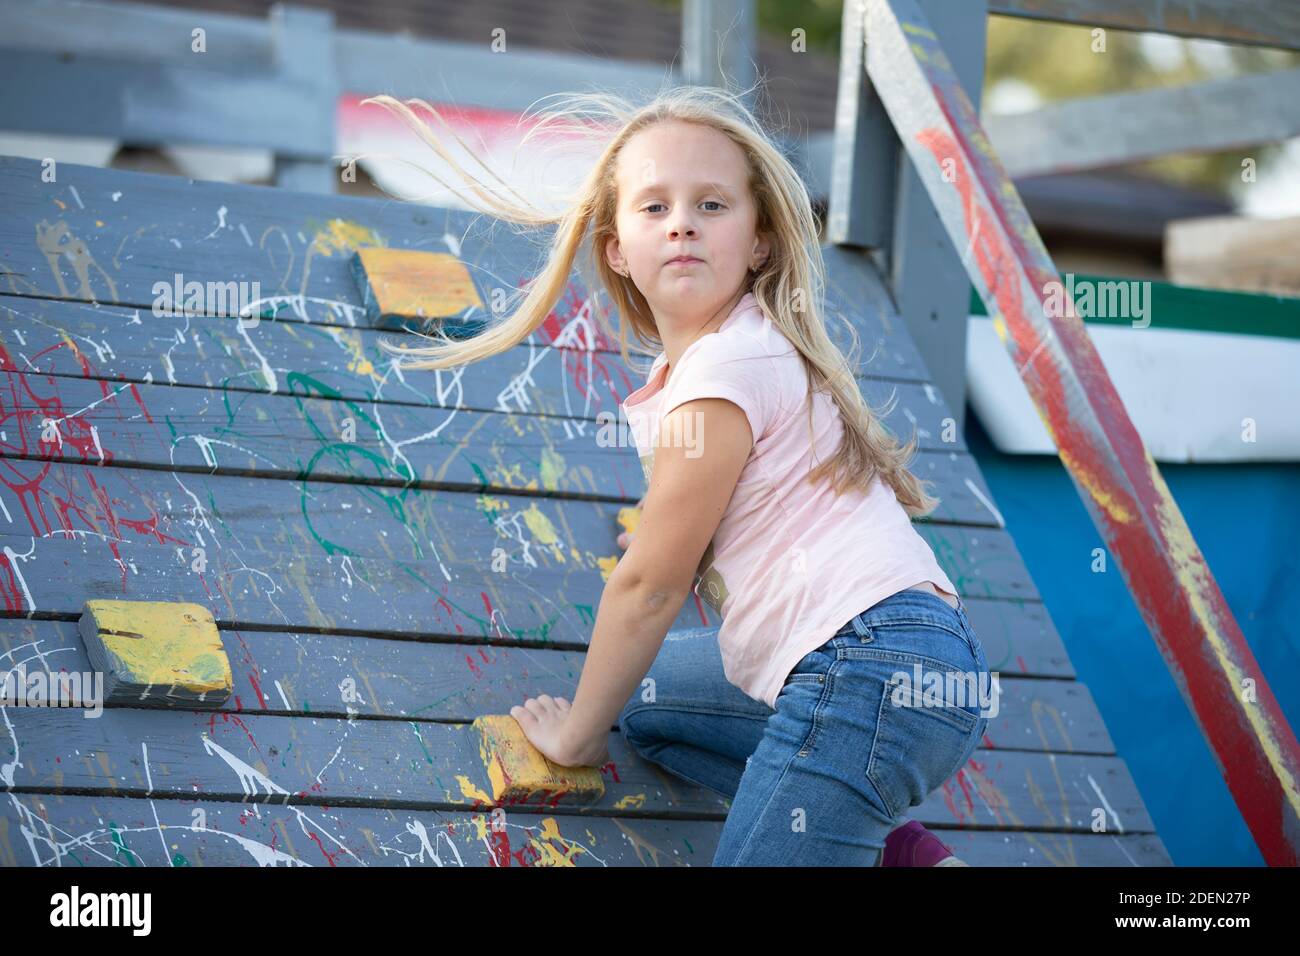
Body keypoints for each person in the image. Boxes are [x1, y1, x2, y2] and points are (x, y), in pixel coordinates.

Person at [365, 83, 992, 866]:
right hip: (930, 662)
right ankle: (882, 840)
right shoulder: (738, 353)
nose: (683, 222)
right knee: (649, 695)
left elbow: (651, 587)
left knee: (617, 696)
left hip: (862, 664)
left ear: (761, 241)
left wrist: (577, 733)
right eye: (654, 206)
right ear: (617, 248)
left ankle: (835, 803)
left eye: (713, 205)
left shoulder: (723, 371)